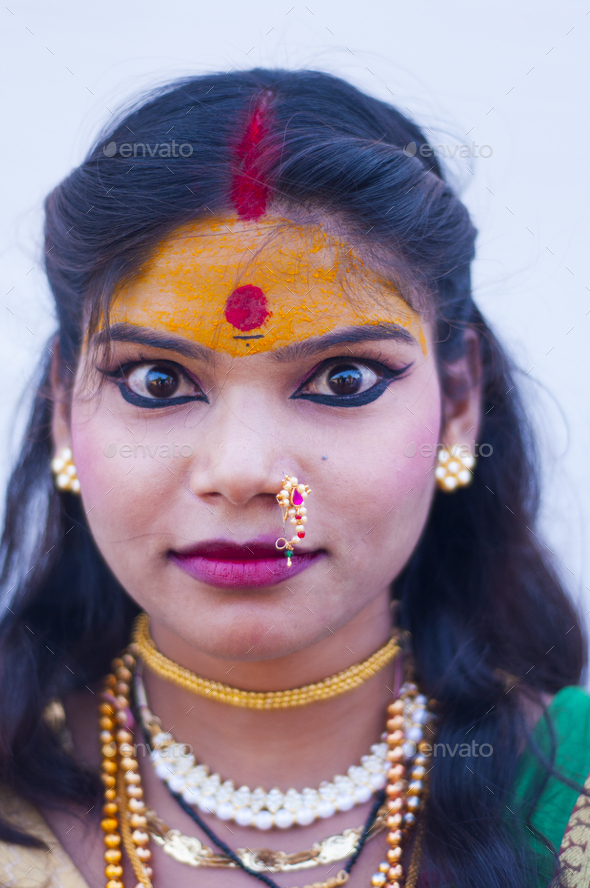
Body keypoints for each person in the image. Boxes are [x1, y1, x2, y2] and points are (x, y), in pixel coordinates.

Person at [0, 68, 588, 888]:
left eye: (343, 380)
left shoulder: (571, 797)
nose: (242, 473)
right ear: (66, 410)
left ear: (458, 407)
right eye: (157, 382)